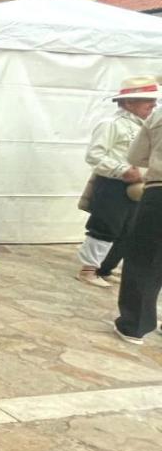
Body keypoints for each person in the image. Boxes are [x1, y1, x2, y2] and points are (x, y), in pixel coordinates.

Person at [77, 76, 157, 286]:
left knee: (128, 229)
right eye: (147, 100)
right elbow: (95, 155)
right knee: (106, 226)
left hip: (137, 186)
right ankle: (89, 269)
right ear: (129, 102)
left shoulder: (146, 127)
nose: (153, 105)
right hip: (113, 185)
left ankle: (105, 267)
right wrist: (121, 170)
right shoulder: (111, 124)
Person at [114, 106, 162, 344]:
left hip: (159, 190)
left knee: (145, 257)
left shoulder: (159, 114)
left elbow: (135, 157)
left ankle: (135, 325)